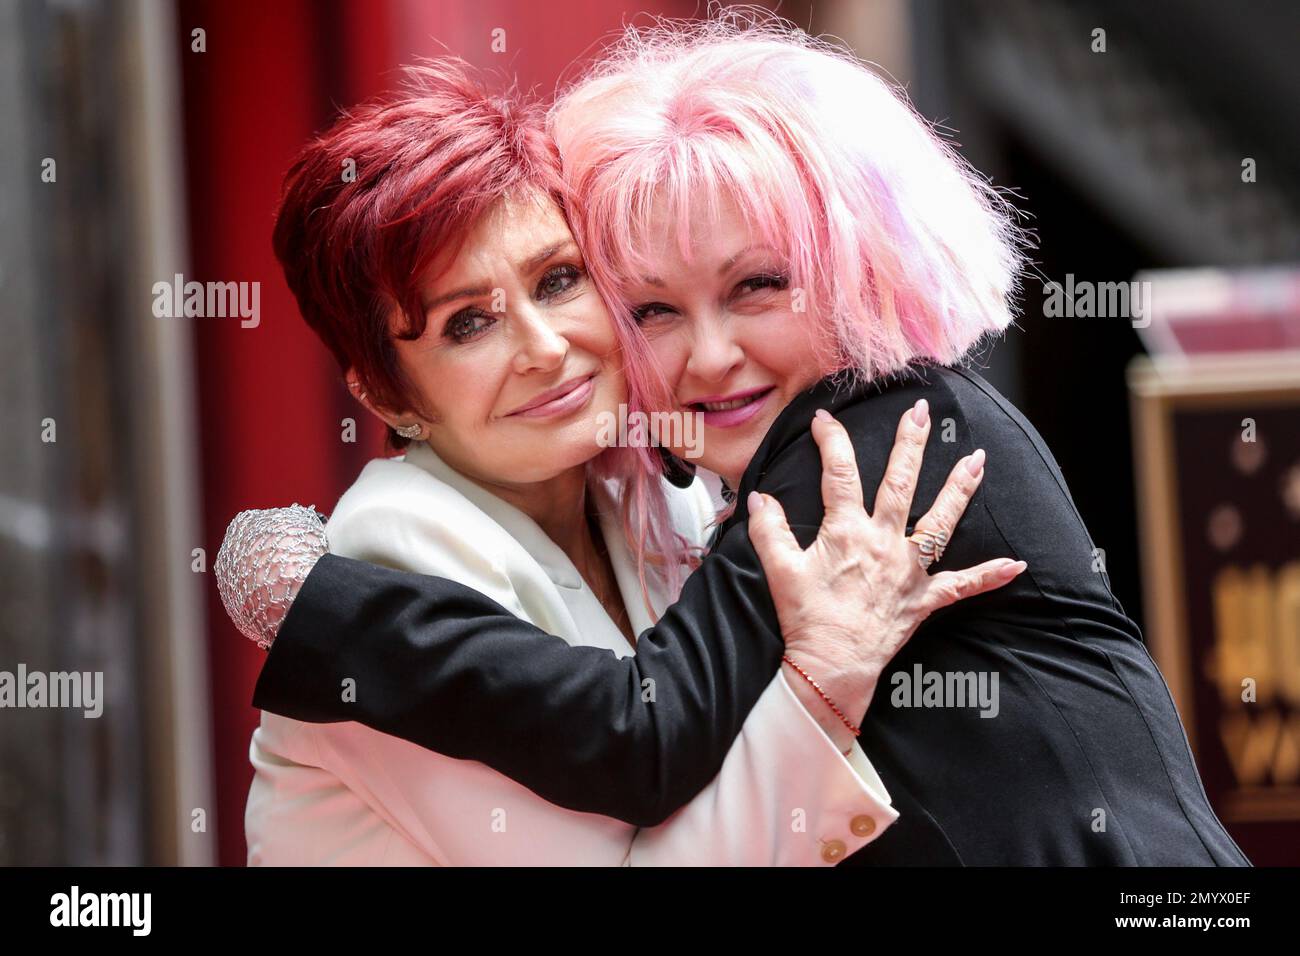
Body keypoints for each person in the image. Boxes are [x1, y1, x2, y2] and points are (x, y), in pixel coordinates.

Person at [235, 16, 1247, 865]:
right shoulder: (420, 536)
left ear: (854, 263)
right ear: (384, 392)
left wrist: (322, 612)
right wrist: (324, 601)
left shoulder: (865, 444)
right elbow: (650, 744)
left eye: (556, 281)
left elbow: (646, 728)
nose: (711, 355)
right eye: (468, 321)